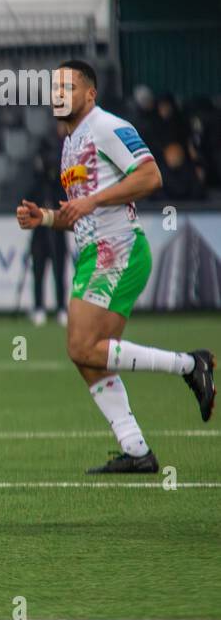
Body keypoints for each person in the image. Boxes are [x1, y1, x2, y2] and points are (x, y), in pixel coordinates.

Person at [16, 60, 215, 474]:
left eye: (68, 87)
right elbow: (81, 211)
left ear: (90, 94)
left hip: (118, 250)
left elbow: (150, 176)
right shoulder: (71, 143)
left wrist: (91, 202)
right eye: (55, 88)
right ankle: (136, 449)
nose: (59, 94)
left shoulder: (106, 125)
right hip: (96, 251)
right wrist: (48, 219)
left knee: (81, 347)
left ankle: (191, 365)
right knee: (89, 357)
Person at [24, 143, 68, 327]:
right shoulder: (36, 183)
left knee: (60, 273)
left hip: (57, 232)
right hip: (40, 235)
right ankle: (39, 307)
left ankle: (61, 308)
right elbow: (27, 199)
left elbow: (64, 202)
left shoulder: (59, 183)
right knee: (38, 273)